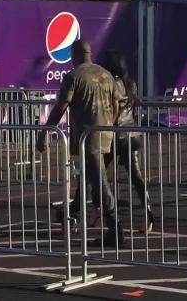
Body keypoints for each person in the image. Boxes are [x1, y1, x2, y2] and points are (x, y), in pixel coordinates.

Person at [36, 40, 123, 246]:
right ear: (90, 53)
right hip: (104, 135)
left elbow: (60, 107)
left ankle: (116, 229)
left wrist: (44, 133)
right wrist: (109, 123)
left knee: (100, 184)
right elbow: (117, 103)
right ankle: (71, 212)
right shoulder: (106, 75)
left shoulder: (73, 77)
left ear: (74, 55)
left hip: (87, 138)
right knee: (86, 180)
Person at [101, 50, 155, 233]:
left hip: (116, 136)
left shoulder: (111, 84)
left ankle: (94, 211)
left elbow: (113, 111)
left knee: (96, 173)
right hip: (131, 135)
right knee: (136, 176)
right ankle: (148, 214)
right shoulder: (130, 84)